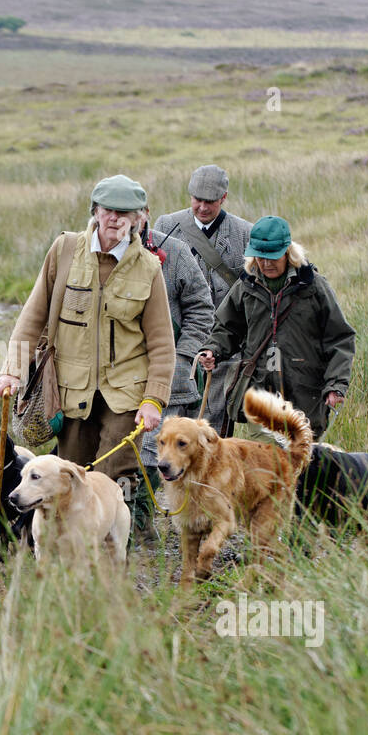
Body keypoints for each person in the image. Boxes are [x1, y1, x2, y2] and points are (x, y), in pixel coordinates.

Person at [0, 175, 175, 535]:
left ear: (139, 218)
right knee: (69, 473)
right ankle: (64, 551)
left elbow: (161, 343)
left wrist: (154, 399)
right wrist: (13, 371)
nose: (115, 219)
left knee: (114, 477)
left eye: (125, 213)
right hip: (71, 390)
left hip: (126, 392)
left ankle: (115, 551)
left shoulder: (149, 268)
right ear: (95, 212)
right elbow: (33, 316)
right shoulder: (64, 250)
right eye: (108, 210)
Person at [195, 215, 354, 443]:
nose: (266, 263)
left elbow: (340, 338)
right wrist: (213, 350)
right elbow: (226, 328)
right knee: (268, 467)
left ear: (288, 252)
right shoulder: (246, 285)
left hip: (305, 395)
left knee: (302, 468)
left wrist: (336, 384)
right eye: (260, 257)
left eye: (273, 257)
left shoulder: (314, 287)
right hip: (261, 394)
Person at [133, 207, 214, 547]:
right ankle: (129, 523)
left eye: (132, 213)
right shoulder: (93, 253)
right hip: (115, 379)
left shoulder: (176, 253)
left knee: (159, 451)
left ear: (145, 214)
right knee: (125, 451)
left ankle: (154, 523)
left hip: (170, 378)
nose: (125, 220)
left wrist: (183, 355)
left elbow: (201, 306)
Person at [152, 164, 252, 435]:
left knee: (212, 432)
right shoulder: (165, 226)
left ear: (224, 198)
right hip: (177, 347)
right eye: (197, 200)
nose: (203, 207)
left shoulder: (244, 233)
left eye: (210, 201)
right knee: (168, 429)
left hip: (222, 352)